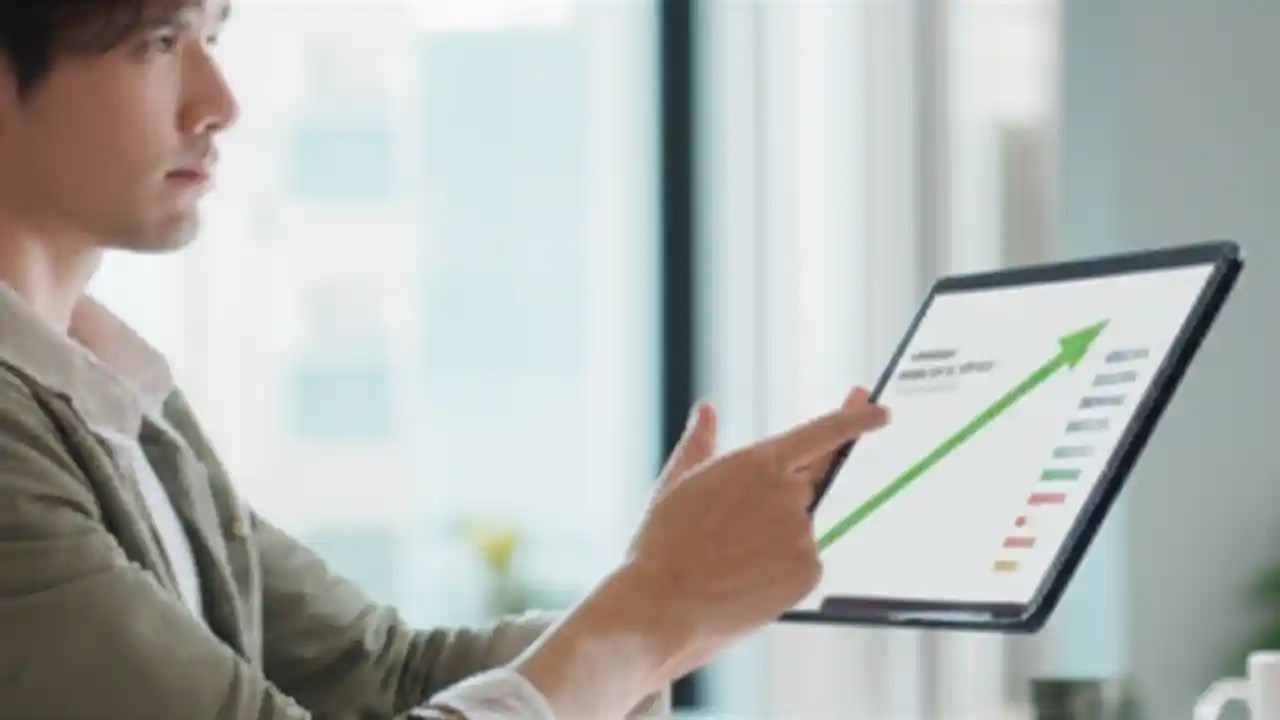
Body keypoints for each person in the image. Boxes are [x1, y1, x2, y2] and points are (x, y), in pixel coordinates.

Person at [0, 1, 890, 718]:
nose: (219, 101)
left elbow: (386, 677)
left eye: (213, 35)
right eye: (159, 43)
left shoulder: (116, 392)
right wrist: (654, 606)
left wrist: (683, 593)